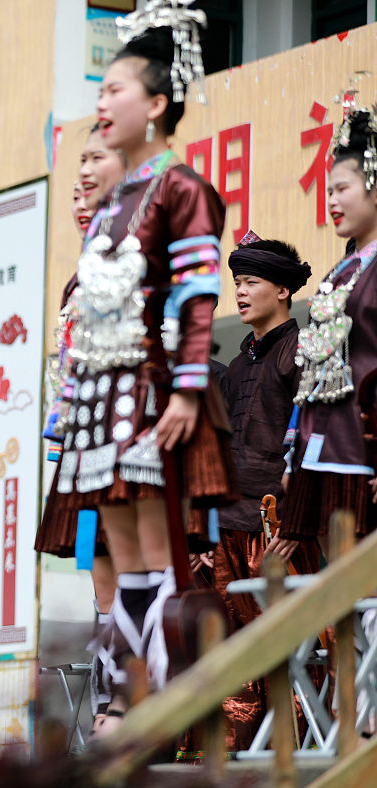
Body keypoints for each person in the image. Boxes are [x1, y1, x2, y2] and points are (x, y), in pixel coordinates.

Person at [51, 1, 235, 725]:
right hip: (100, 398)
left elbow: (197, 296)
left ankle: (166, 707)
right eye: (99, 93)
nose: (102, 103)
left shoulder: (179, 188)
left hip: (153, 392)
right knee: (121, 559)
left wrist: (189, 391)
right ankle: (128, 703)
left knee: (159, 556)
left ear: (157, 104)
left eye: (115, 90)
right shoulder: (113, 202)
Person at [200, 234, 318, 749]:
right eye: (237, 283)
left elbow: (313, 441)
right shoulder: (239, 362)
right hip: (228, 528)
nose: (240, 293)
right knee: (231, 657)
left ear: (284, 290)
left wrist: (297, 521)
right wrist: (203, 530)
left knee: (294, 648)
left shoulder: (302, 352)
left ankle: (297, 757)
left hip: (277, 533)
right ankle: (232, 764)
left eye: (251, 283)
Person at [36, 126, 127, 731]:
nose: (78, 200)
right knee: (97, 571)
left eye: (89, 186)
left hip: (115, 443)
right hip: (77, 446)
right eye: (72, 190)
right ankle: (103, 701)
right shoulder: (74, 280)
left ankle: (124, 697)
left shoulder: (120, 265)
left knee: (123, 569)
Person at [280, 105, 377, 549]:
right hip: (321, 444)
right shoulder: (340, 269)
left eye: (343, 189)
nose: (332, 201)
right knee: (335, 590)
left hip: (363, 447)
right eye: (328, 191)